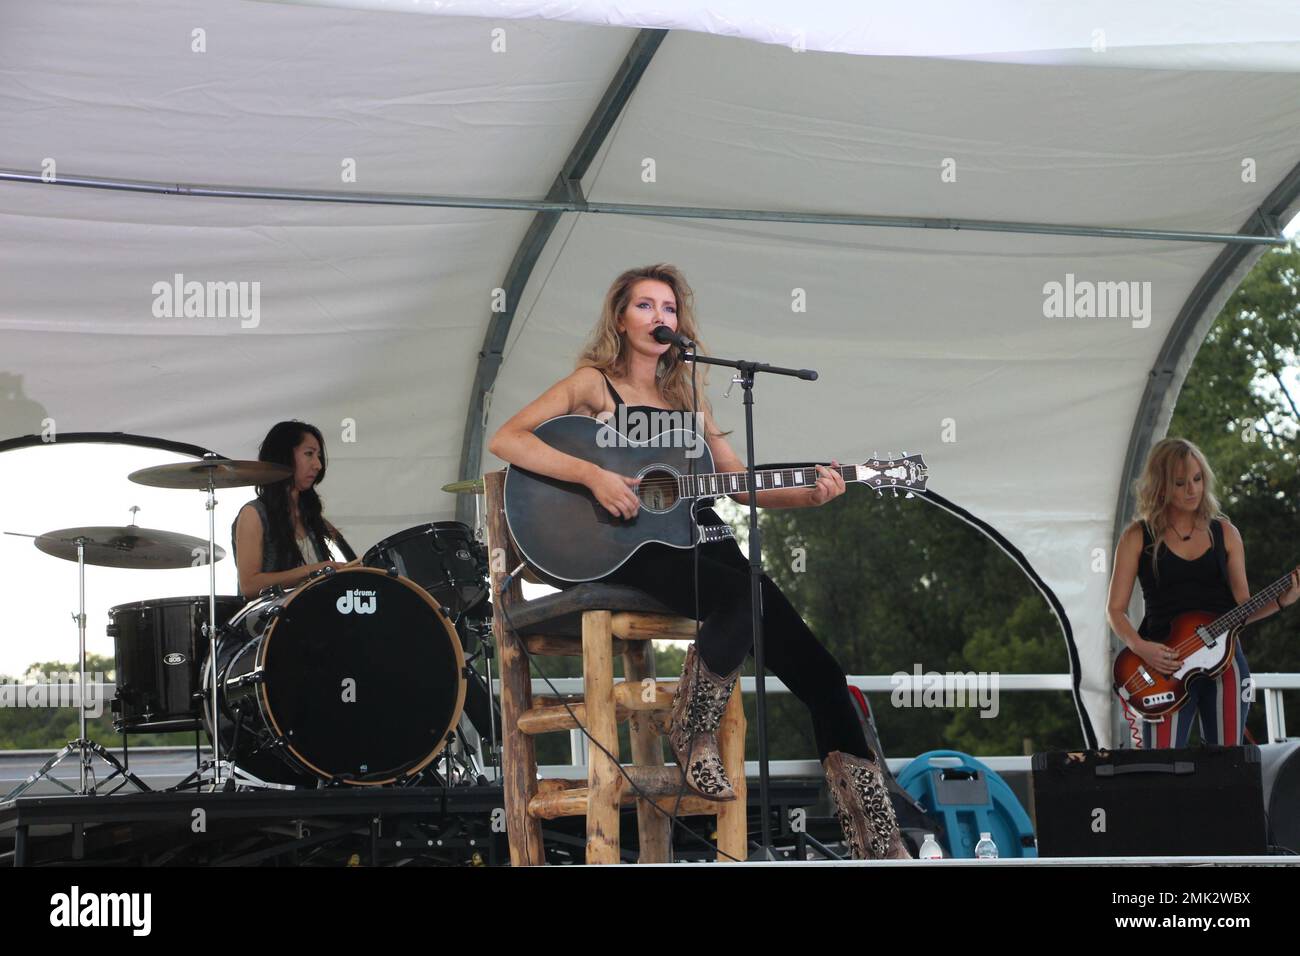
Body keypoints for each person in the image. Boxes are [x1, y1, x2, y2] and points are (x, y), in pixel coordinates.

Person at [488, 264, 910, 859]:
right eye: (645, 306)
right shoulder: (593, 385)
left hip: (703, 541)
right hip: (627, 545)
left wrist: (809, 493)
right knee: (742, 596)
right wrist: (595, 475)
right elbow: (507, 439)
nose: (661, 317)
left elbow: (738, 484)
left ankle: (879, 841)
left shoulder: (688, 396)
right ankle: (692, 727)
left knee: (822, 675)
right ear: (620, 318)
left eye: (669, 308)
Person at [1106, 437, 1298, 748]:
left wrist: (1282, 600)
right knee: (1162, 766)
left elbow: (1243, 609)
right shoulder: (1137, 536)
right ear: (1162, 486)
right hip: (1162, 663)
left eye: (1197, 479)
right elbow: (1115, 609)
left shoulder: (1226, 534)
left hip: (1227, 662)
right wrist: (1141, 647)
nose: (1192, 490)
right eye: (1180, 483)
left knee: (1227, 766)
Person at [233, 420, 356, 600]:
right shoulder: (254, 514)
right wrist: (313, 570)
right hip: (273, 623)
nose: (318, 464)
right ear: (284, 457)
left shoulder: (312, 516)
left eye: (319, 456)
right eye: (309, 454)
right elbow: (250, 586)